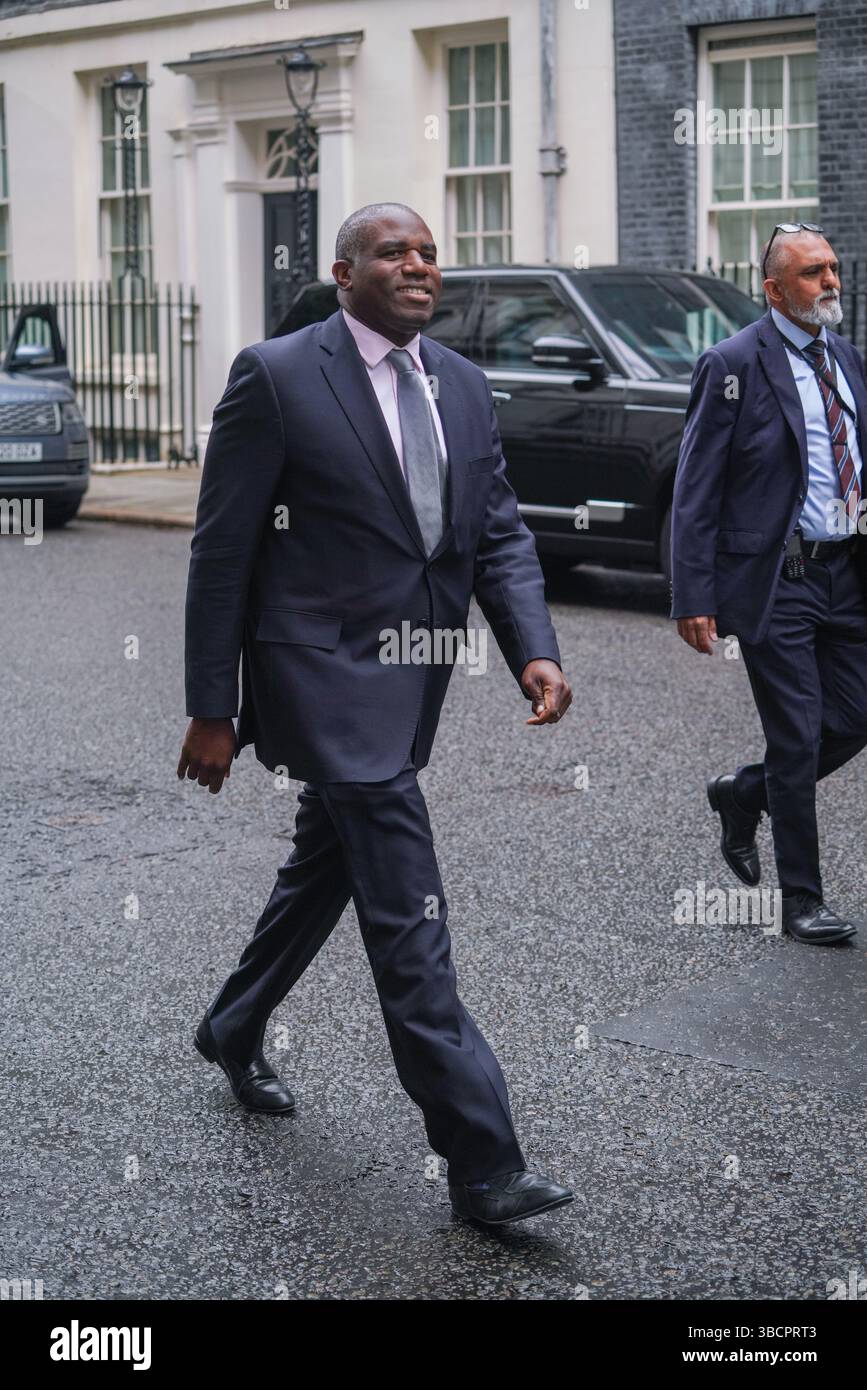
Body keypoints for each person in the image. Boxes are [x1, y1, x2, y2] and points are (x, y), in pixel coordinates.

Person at [178, 202, 575, 1225]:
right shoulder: (276, 374)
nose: (417, 266)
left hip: (414, 673)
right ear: (343, 271)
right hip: (321, 674)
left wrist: (533, 648)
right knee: (410, 915)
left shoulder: (463, 386)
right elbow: (224, 549)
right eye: (394, 252)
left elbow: (497, 534)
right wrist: (212, 705)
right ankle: (483, 1159)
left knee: (329, 863)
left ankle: (234, 1020)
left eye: (430, 253)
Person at [671, 224, 867, 945]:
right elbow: (695, 486)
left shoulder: (844, 357)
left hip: (845, 570)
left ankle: (742, 792)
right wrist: (691, 593)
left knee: (852, 719)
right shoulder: (730, 363)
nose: (830, 283)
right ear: (774, 289)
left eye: (833, 269)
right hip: (776, 578)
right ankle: (801, 902)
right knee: (796, 735)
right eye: (813, 273)